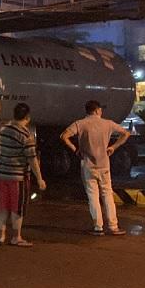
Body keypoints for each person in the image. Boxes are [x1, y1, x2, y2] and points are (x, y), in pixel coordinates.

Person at [60, 100, 131, 236]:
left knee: (93, 196)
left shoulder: (80, 124)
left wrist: (75, 150)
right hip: (104, 165)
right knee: (107, 194)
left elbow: (64, 136)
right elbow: (126, 134)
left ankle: (98, 227)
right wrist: (113, 147)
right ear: (97, 110)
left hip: (88, 165)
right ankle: (113, 226)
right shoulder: (108, 123)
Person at [0, 103, 46, 247]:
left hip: (1, 174)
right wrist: (39, 179)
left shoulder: (4, 130)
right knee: (17, 207)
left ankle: (0, 236)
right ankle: (16, 237)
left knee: (3, 206)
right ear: (27, 117)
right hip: (17, 177)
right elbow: (32, 159)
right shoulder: (26, 135)